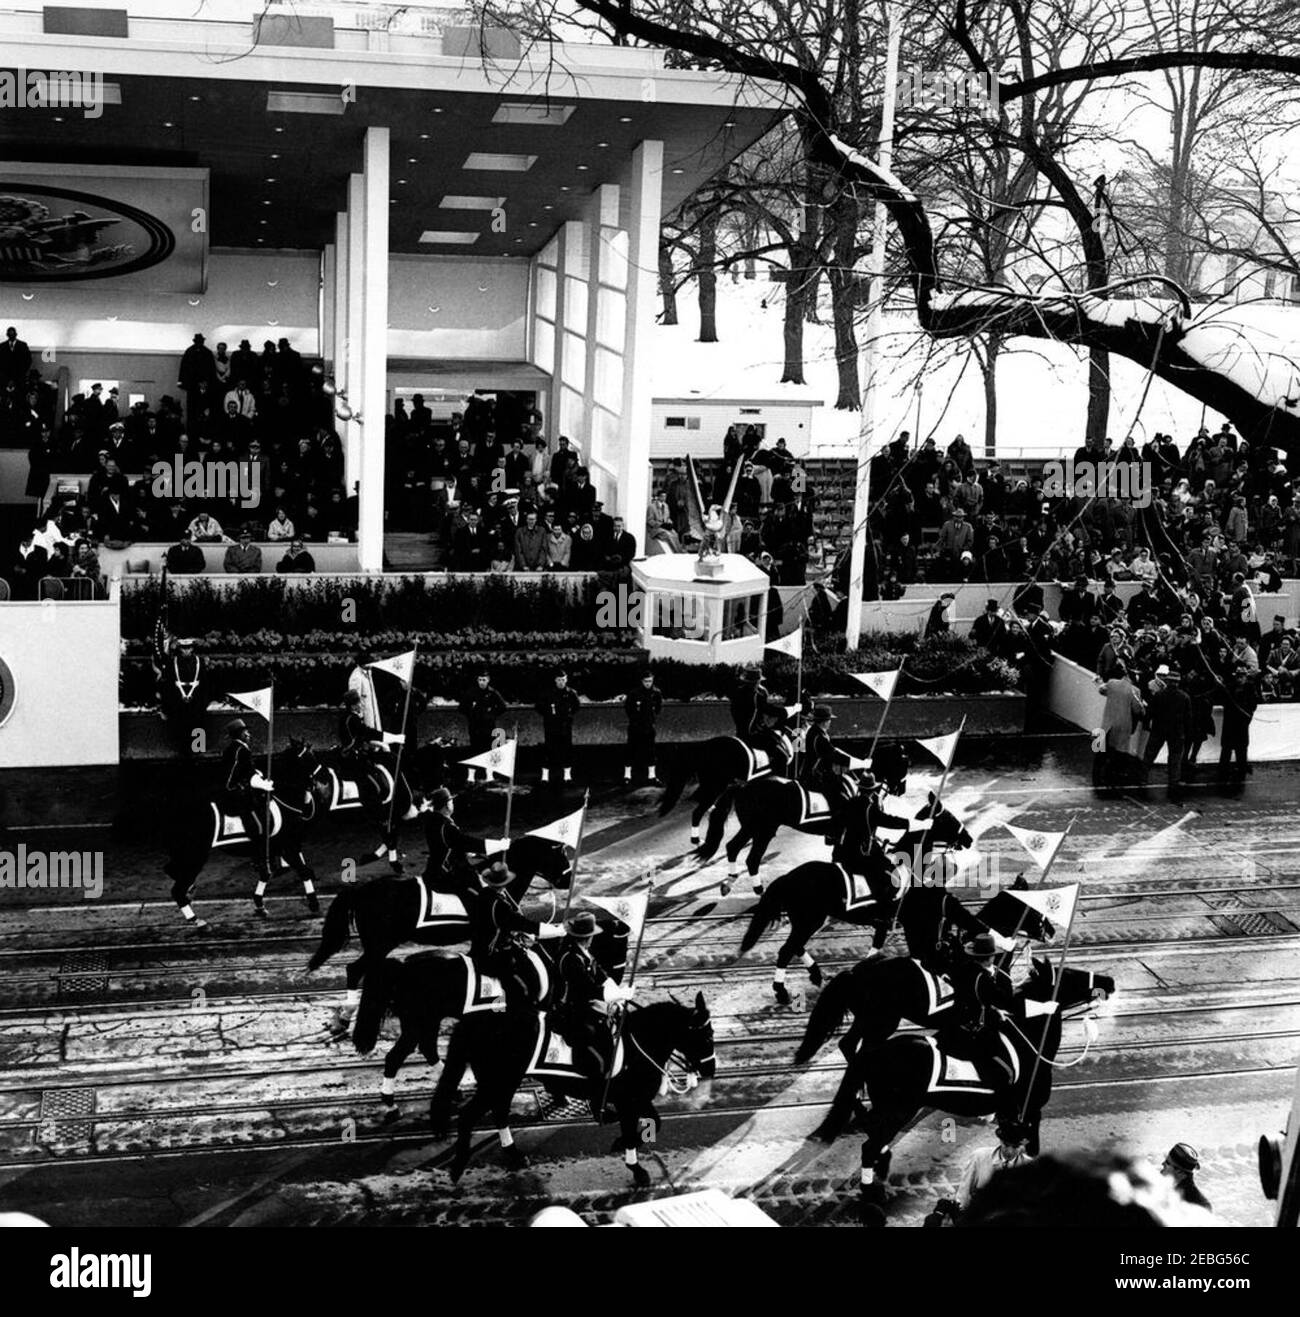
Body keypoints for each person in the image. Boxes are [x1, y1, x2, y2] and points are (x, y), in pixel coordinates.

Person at [551, 911, 635, 1115]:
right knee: (603, 1043)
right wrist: (614, 996)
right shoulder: (570, 958)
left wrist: (618, 993)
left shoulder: (583, 954)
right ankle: (598, 1103)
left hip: (586, 1005)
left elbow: (601, 975)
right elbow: (587, 987)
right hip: (571, 1011)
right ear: (587, 937)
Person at [926, 1120, 1034, 1225]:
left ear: (1021, 1146)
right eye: (1006, 1145)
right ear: (1000, 1141)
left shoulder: (1029, 1166)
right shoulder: (979, 1156)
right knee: (936, 1216)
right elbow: (965, 1190)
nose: (1010, 1151)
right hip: (978, 1214)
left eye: (1015, 1147)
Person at [216, 719, 274, 909]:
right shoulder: (242, 750)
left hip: (231, 790)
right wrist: (262, 783)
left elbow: (247, 770)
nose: (249, 734)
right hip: (234, 794)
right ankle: (258, 860)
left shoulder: (233, 748)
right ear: (239, 734)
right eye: (245, 732)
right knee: (258, 825)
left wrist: (255, 773)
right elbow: (243, 775)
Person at [421, 787, 508, 887]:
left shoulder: (433, 822)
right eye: (451, 802)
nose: (453, 804)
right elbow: (464, 842)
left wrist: (465, 853)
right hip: (446, 872)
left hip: (433, 869)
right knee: (478, 892)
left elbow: (447, 845)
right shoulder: (445, 826)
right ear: (447, 805)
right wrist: (499, 845)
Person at [153, 631, 210, 759]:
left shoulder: (199, 662)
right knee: (181, 729)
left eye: (189, 648)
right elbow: (168, 685)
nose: (186, 651)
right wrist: (172, 703)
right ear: (179, 649)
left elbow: (205, 683)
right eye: (183, 648)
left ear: (192, 648)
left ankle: (198, 752)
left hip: (196, 703)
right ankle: (183, 753)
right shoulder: (173, 663)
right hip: (179, 703)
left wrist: (203, 703)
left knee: (197, 726)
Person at [1142, 665, 1193, 802]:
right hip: (1177, 733)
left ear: (1168, 681)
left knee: (1150, 754)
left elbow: (1150, 712)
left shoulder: (1159, 695)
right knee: (1175, 760)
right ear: (1178, 682)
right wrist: (1188, 733)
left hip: (1159, 729)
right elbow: (1188, 719)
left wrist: (1147, 724)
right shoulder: (1184, 697)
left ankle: (1143, 778)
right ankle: (1173, 783)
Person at [1095, 661, 1145, 790]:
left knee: (1099, 750)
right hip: (1123, 725)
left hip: (1107, 722)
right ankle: (1112, 777)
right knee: (1119, 751)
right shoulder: (1135, 690)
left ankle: (1096, 775)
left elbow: (1101, 690)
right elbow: (1138, 710)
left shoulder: (1112, 683)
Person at [536, 669, 581, 786]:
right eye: (559, 680)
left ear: (566, 680)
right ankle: (545, 776)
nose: (561, 682)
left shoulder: (571, 693)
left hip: (565, 726)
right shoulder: (548, 693)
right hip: (551, 726)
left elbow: (577, 706)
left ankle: (567, 775)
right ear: (555, 680)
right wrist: (548, 715)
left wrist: (568, 715)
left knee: (566, 749)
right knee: (549, 750)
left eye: (563, 680)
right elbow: (539, 706)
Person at [460, 667, 507, 768]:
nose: (482, 682)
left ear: (488, 680)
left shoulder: (492, 693)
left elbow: (503, 707)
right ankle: (472, 775)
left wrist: (492, 714)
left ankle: (488, 773)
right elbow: (462, 708)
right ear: (477, 680)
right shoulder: (471, 693)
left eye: (484, 680)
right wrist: (471, 715)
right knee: (475, 749)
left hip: (488, 726)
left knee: (488, 749)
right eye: (480, 680)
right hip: (475, 726)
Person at [623, 668, 663, 784]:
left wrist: (651, 718)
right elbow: (628, 708)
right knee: (631, 750)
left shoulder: (656, 693)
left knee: (651, 751)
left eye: (650, 681)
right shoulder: (634, 693)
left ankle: (652, 776)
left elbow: (658, 708)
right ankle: (627, 776)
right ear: (642, 681)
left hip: (649, 726)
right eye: (646, 681)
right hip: (635, 726)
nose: (648, 683)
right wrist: (635, 720)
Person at [1160, 1143, 1211, 1211]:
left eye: (1167, 1163)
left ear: (1179, 1172)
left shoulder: (1196, 1204)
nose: (1162, 1163)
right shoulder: (1172, 1192)